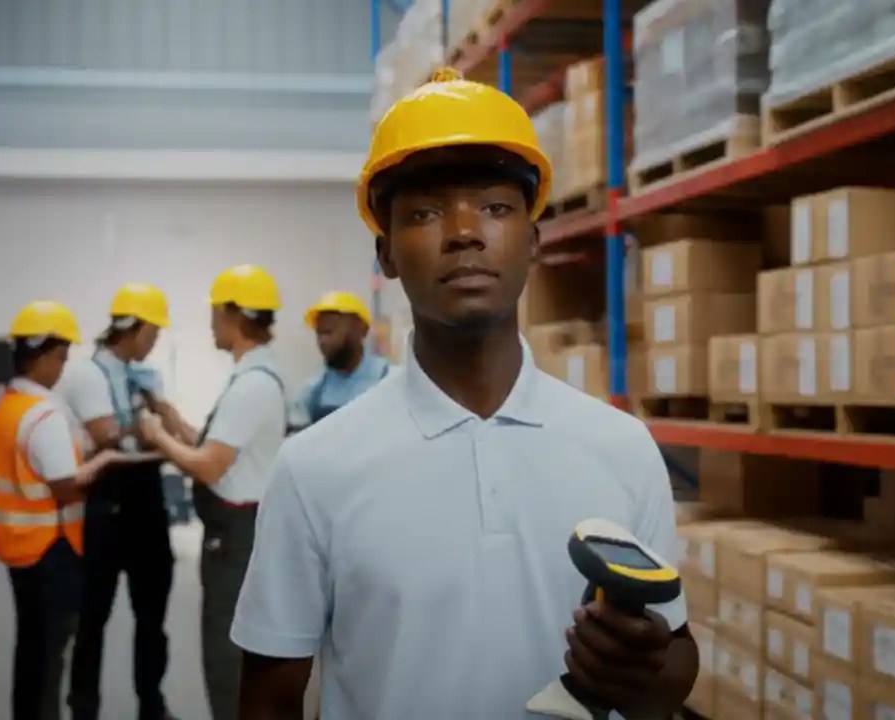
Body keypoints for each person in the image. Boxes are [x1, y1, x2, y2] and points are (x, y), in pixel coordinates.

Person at [229, 67, 699, 719]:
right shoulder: (315, 470)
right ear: (386, 253)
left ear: (534, 241)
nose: (464, 231)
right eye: (424, 213)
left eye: (497, 208)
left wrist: (639, 664)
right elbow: (269, 698)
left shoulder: (619, 448)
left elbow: (676, 653)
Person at [138, 264, 288, 720]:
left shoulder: (253, 385)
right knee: (225, 648)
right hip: (232, 534)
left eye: (215, 312)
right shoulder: (248, 377)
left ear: (233, 315)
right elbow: (212, 442)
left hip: (237, 538)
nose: (210, 323)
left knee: (226, 655)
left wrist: (155, 436)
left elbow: (208, 465)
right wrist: (169, 415)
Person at [0, 301, 124, 720]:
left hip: (19, 550)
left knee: (30, 653)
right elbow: (65, 487)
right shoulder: (43, 413)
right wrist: (103, 461)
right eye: (61, 358)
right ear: (43, 356)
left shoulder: (9, 405)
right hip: (52, 552)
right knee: (48, 660)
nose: (62, 369)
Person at [60, 283, 179, 720]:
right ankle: (84, 708)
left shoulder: (144, 375)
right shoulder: (87, 374)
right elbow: (106, 434)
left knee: (152, 616)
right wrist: (151, 429)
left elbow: (157, 428)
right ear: (135, 327)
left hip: (146, 496)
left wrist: (160, 409)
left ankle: (152, 703)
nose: (156, 342)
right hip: (107, 501)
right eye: (154, 332)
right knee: (93, 616)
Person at [289, 289, 392, 430]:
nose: (322, 341)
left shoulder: (389, 379)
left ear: (361, 329)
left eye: (329, 331)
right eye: (319, 333)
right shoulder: (312, 393)